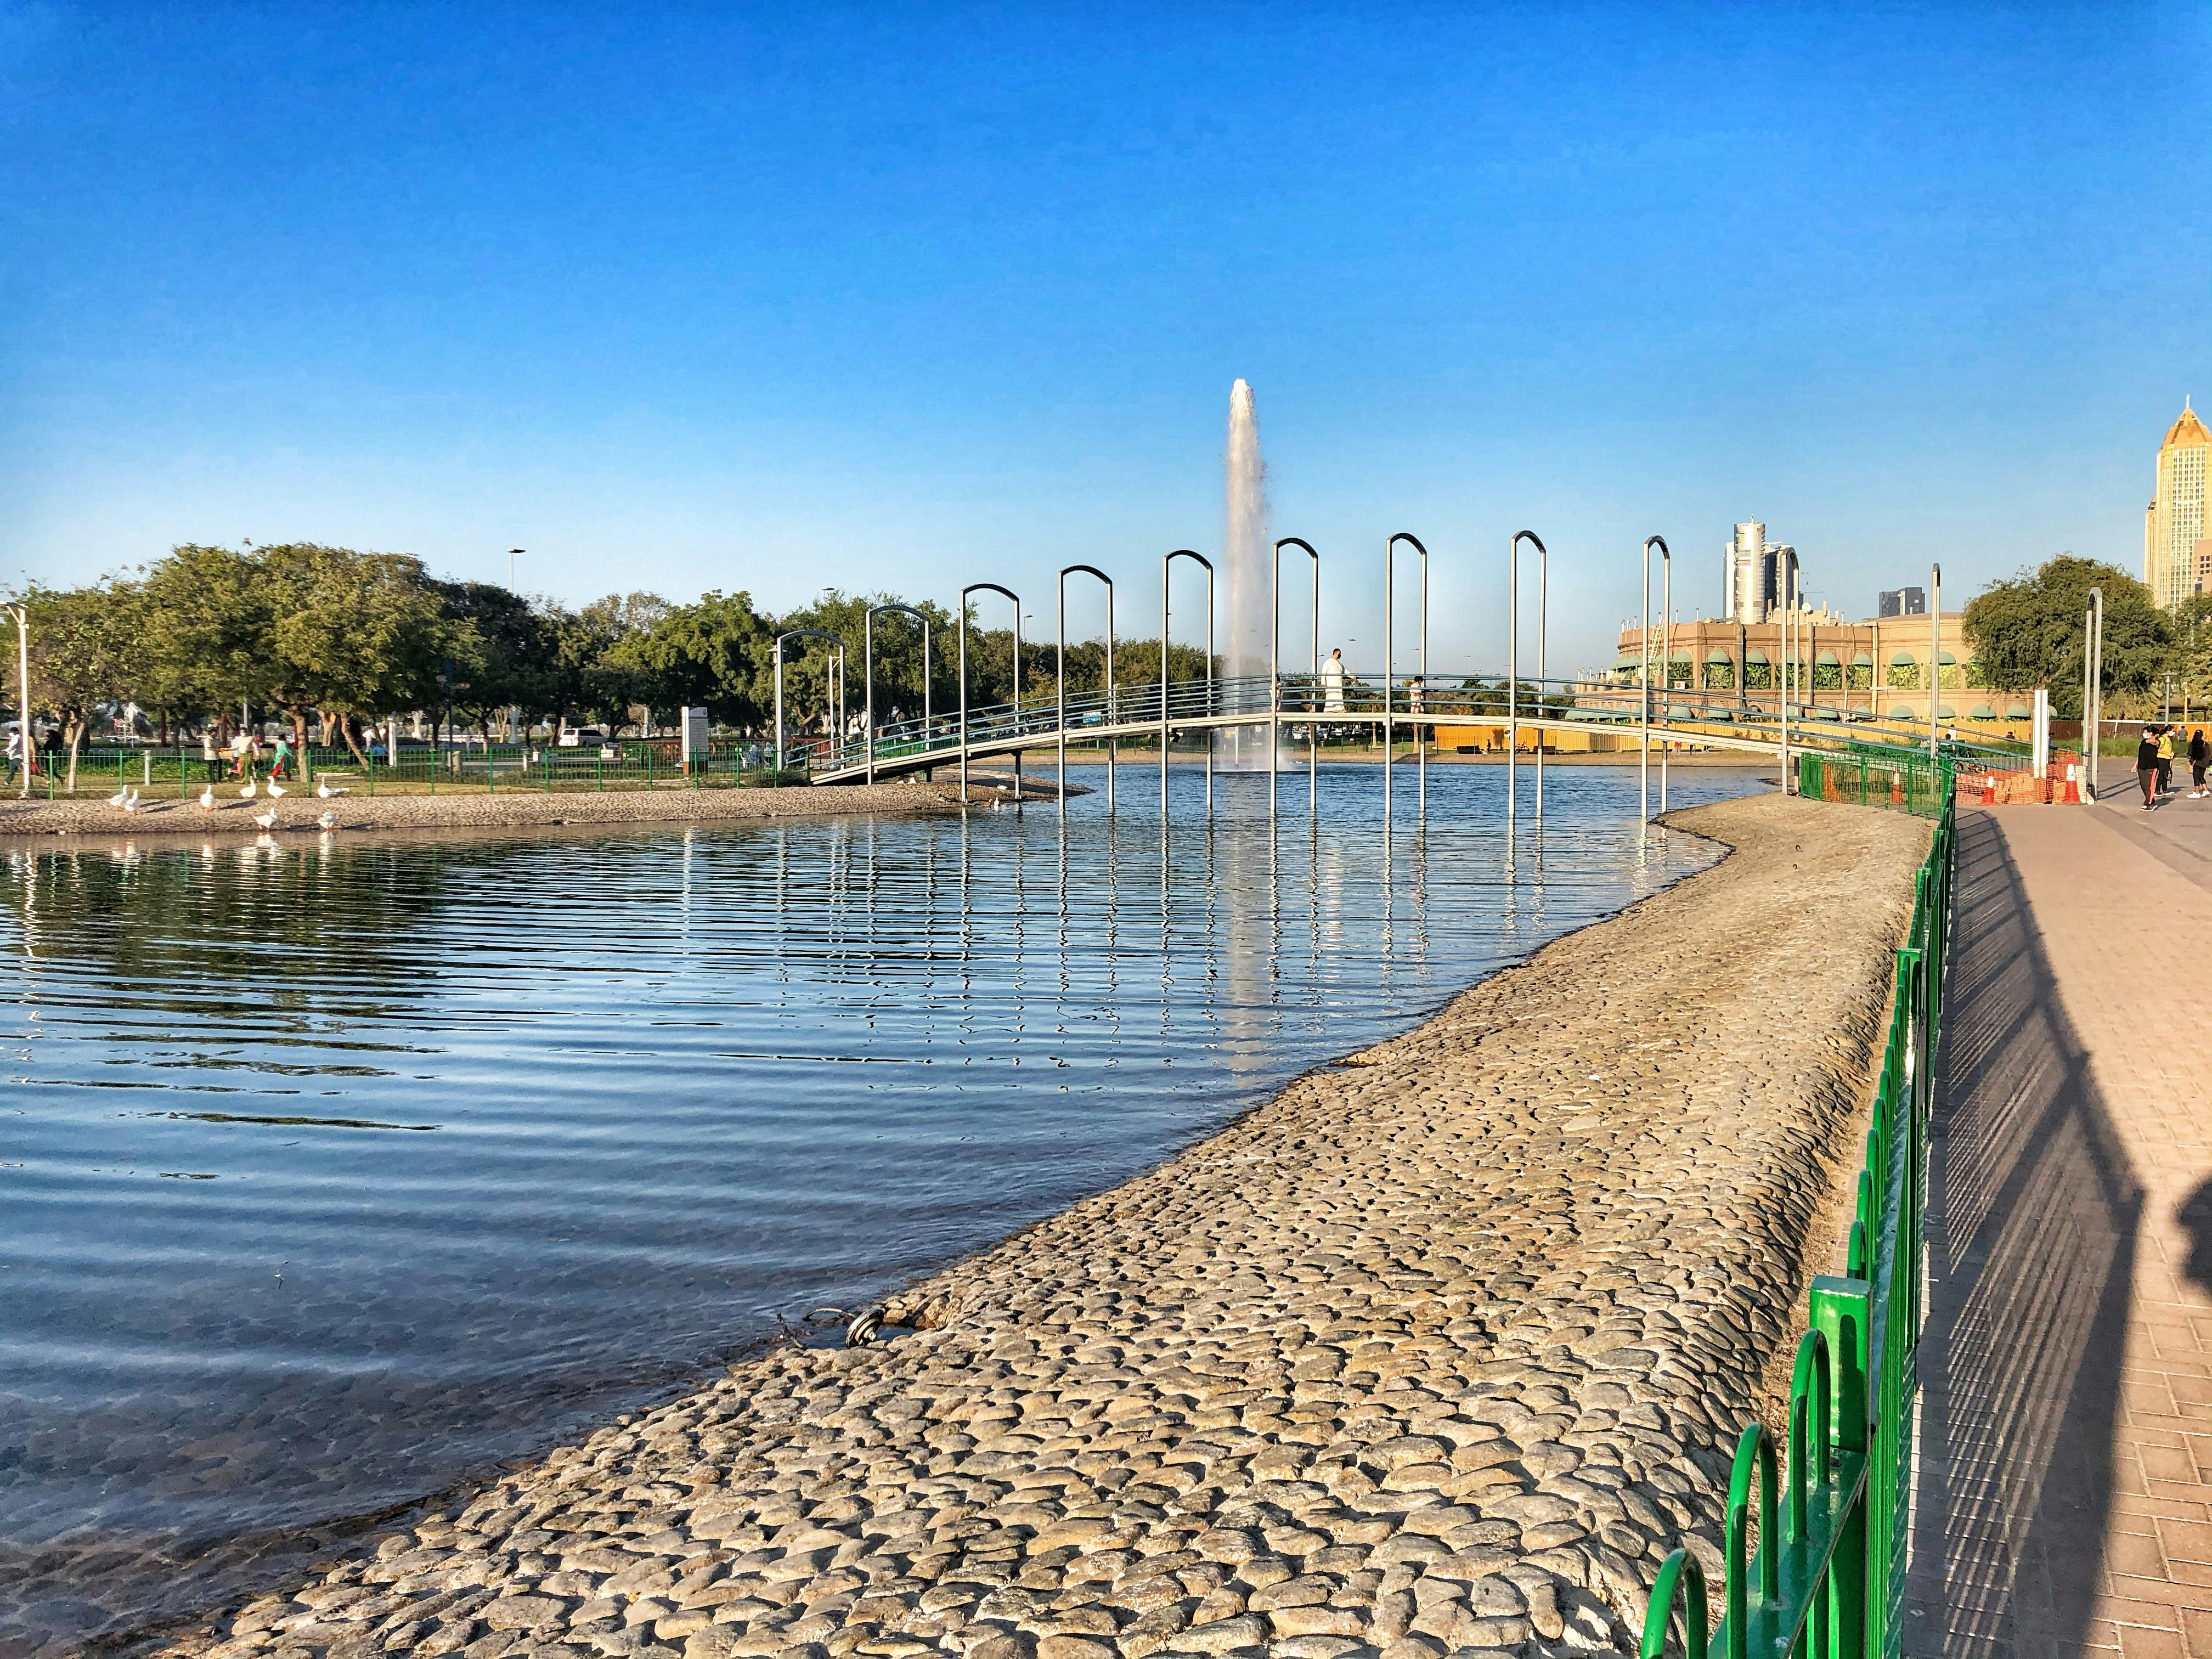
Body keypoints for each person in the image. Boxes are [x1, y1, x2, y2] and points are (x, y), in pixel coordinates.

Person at [2136, 725, 2162, 809]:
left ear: (2151, 733)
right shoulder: (2143, 742)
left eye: (2146, 733)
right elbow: (2140, 755)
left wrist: (2154, 736)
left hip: (2151, 766)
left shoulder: (2157, 741)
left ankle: (2149, 803)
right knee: (2143, 785)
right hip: (2141, 766)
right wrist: (2136, 764)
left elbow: (2155, 743)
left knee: (2149, 785)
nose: (2144, 734)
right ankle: (2151, 799)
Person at [1322, 648, 1348, 714]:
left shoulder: (1339, 663)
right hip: (1331, 682)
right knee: (1331, 694)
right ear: (1335, 653)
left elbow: (1345, 671)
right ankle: (1329, 709)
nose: (1340, 655)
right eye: (1339, 654)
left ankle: (1340, 709)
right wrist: (1323, 682)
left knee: (1338, 695)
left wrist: (1352, 676)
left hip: (1338, 683)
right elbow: (1324, 672)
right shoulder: (1328, 662)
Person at [2156, 724, 2175, 799]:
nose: (2173, 733)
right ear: (2168, 731)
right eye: (2172, 731)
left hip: (2167, 758)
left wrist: (2171, 754)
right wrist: (2168, 753)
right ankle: (2157, 790)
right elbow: (2158, 749)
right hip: (2162, 758)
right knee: (2161, 774)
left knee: (2165, 774)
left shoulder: (2168, 739)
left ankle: (2165, 790)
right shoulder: (2162, 739)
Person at [2191, 727, 2209, 799]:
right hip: (2204, 763)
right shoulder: (2205, 744)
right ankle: (2206, 790)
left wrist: (2191, 762)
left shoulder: (2193, 744)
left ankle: (2197, 792)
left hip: (2197, 762)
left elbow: (2190, 753)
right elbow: (2209, 753)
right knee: (2201, 777)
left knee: (2196, 777)